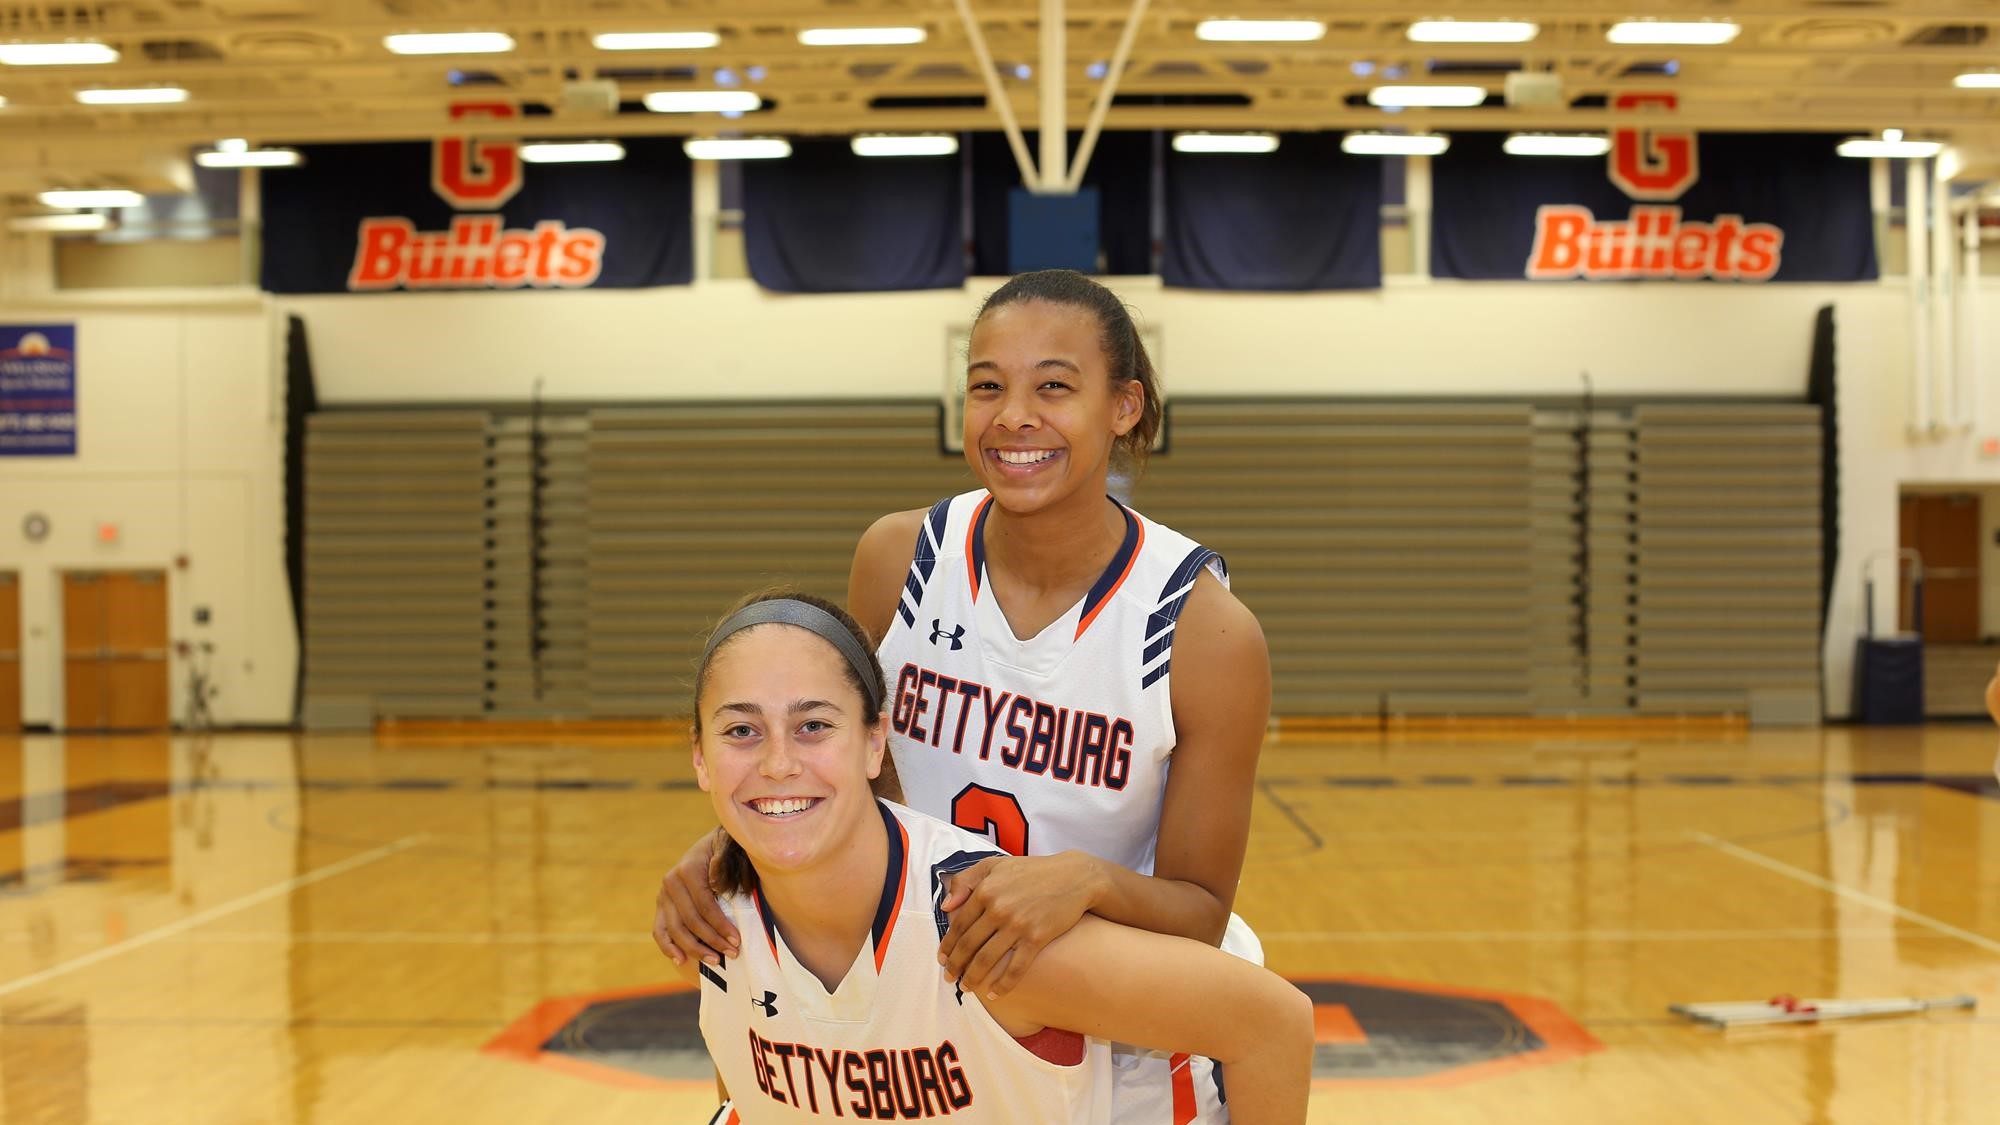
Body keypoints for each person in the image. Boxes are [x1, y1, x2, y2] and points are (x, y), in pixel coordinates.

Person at [659, 270, 1272, 1122]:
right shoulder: (898, 559)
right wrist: (737, 840)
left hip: (1120, 1046)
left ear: (1124, 405)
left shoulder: (1205, 631)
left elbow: (1202, 913)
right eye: (988, 385)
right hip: (929, 1023)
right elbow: (847, 766)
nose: (1014, 414)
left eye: (1053, 386)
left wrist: (1084, 882)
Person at [675, 591, 1311, 1124]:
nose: (778, 763)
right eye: (740, 731)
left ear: (876, 744)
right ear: (700, 758)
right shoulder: (715, 921)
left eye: (814, 726)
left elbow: (1272, 1026)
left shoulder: (981, 928)